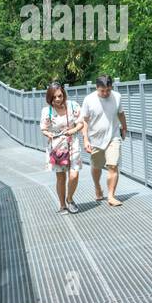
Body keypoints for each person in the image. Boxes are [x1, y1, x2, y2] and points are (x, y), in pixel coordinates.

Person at [41, 82, 88, 214]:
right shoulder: (47, 111)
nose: (57, 99)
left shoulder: (73, 106)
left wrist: (73, 130)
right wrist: (48, 133)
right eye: (54, 97)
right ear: (50, 98)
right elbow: (44, 129)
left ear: (64, 94)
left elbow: (81, 123)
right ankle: (62, 205)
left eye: (60, 96)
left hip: (72, 143)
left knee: (74, 174)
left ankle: (70, 198)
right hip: (57, 146)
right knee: (61, 177)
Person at [81, 75, 128, 206]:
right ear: (96, 88)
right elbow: (84, 120)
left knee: (113, 166)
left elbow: (120, 113)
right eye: (102, 91)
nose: (106, 93)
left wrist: (124, 127)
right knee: (96, 166)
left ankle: (111, 196)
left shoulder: (117, 97)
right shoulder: (89, 100)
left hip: (113, 136)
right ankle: (97, 187)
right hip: (95, 139)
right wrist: (85, 140)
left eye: (108, 90)